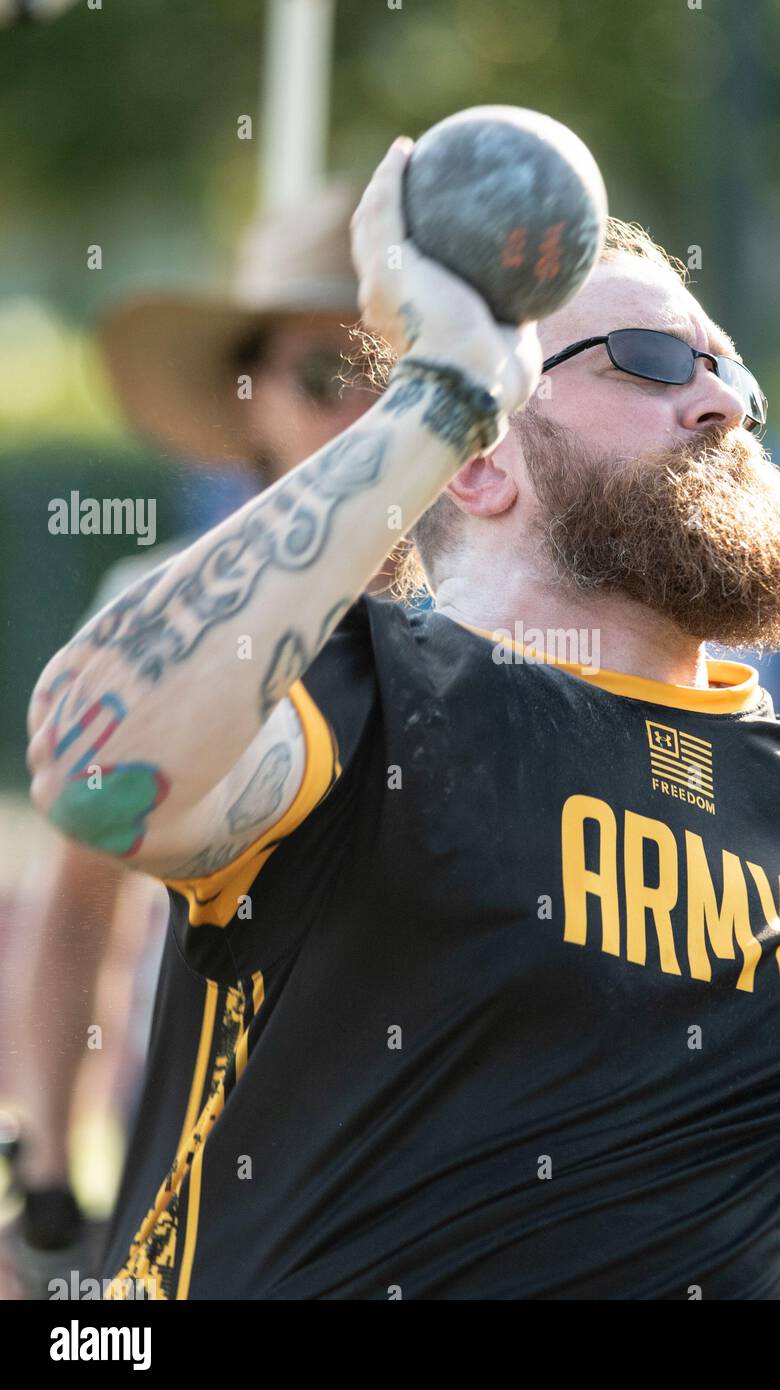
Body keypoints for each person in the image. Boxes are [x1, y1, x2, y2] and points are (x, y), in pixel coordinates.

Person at [23, 137, 780, 1300]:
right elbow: (96, 764)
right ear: (478, 466)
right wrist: (440, 392)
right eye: (650, 359)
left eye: (733, 373)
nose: (722, 401)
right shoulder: (368, 694)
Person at [2, 182, 398, 1299]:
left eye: (394, 373)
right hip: (198, 1187)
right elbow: (82, 914)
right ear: (250, 398)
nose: (359, 409)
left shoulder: (501, 609)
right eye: (322, 374)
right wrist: (43, 1185)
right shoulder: (152, 611)